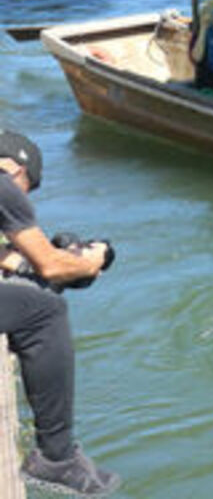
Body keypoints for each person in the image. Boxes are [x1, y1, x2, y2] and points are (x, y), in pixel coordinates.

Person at [0, 130, 120, 495]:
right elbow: (51, 267)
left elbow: (19, 260)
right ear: (17, 170)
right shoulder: (4, 187)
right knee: (45, 312)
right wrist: (91, 262)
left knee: (32, 294)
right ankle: (56, 458)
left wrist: (26, 266)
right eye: (27, 190)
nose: (24, 201)